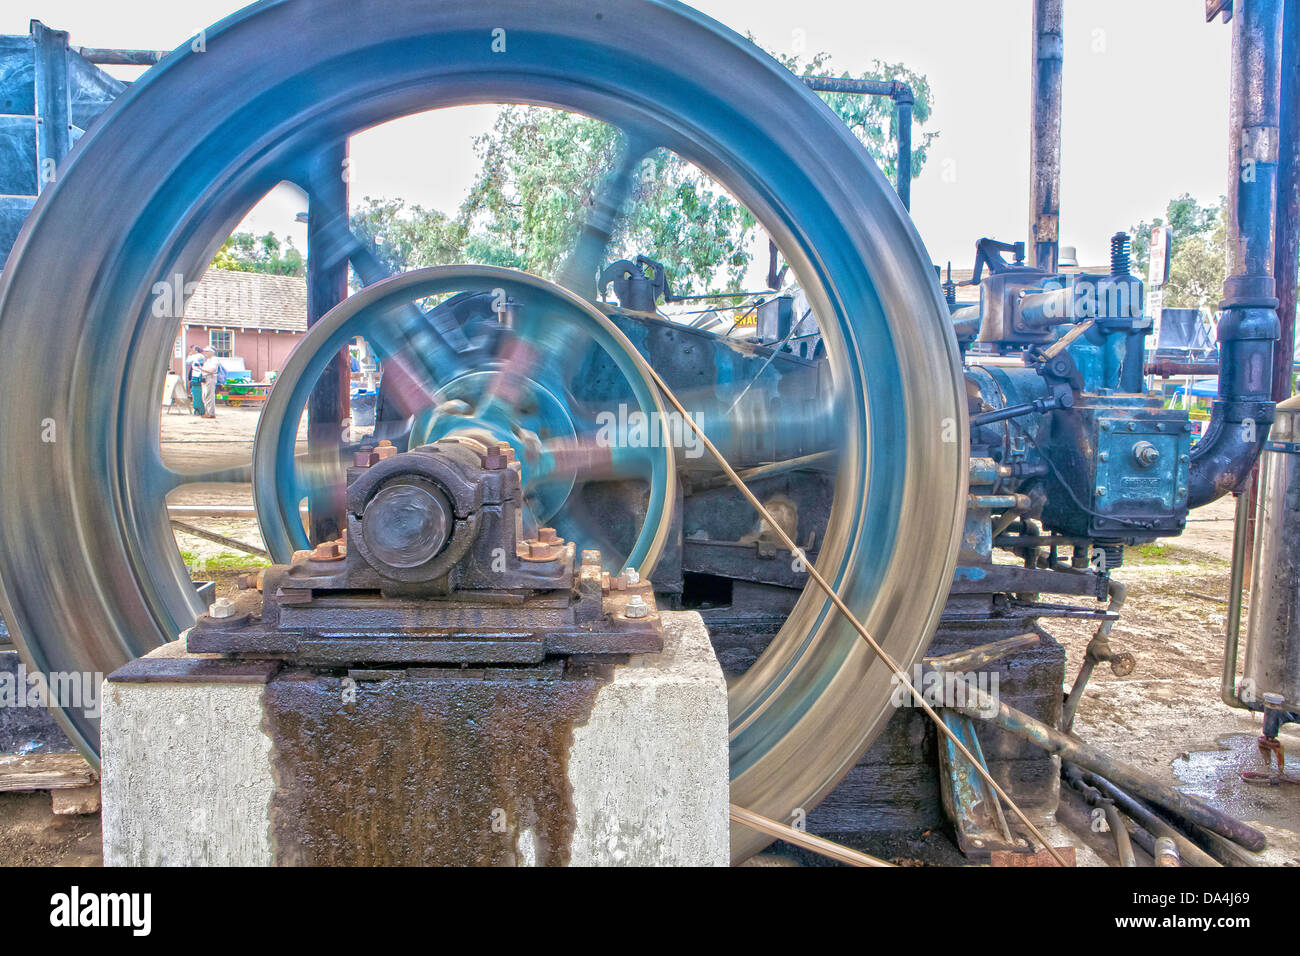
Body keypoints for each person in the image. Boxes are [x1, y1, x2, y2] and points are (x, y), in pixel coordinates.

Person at [200, 346, 220, 419]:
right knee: (205, 396)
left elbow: (211, 370)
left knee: (209, 396)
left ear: (212, 352)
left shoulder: (214, 360)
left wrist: (201, 368)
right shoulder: (208, 360)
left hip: (210, 377)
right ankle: (207, 412)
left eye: (207, 351)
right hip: (205, 378)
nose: (205, 353)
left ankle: (211, 413)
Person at [186, 346, 205, 415]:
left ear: (196, 351)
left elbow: (187, 362)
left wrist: (189, 355)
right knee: (201, 394)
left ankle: (197, 409)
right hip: (202, 376)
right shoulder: (203, 356)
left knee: (196, 394)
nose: (191, 351)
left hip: (196, 376)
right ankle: (202, 409)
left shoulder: (195, 356)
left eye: (192, 350)